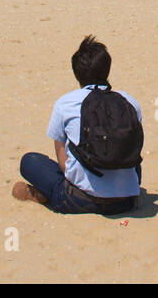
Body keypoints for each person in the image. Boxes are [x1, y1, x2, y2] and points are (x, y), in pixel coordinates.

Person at [13, 35, 143, 215]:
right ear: (107, 69)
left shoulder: (65, 103)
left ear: (77, 74)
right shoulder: (130, 102)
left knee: (30, 161)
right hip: (126, 201)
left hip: (78, 200)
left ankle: (43, 195)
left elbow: (63, 164)